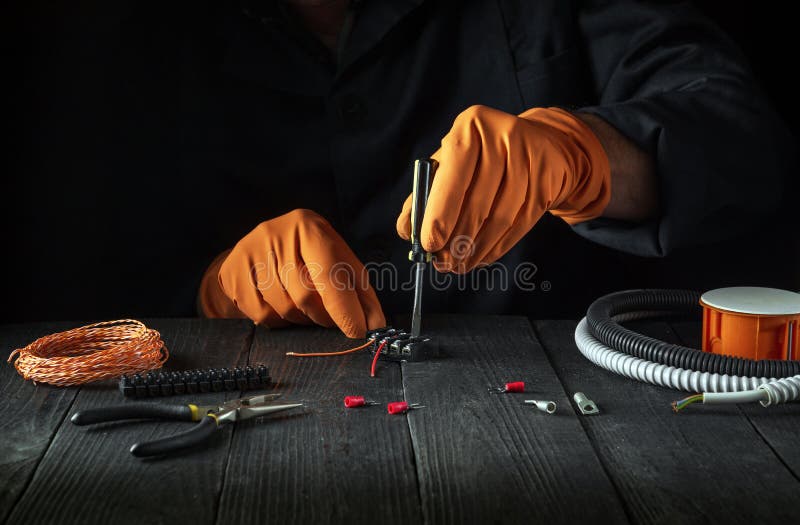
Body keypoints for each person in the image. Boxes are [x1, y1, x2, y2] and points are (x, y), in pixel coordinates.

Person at [192, 0, 795, 338]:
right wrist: (213, 292)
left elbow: (739, 137)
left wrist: (584, 154)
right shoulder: (140, 31)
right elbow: (110, 253)